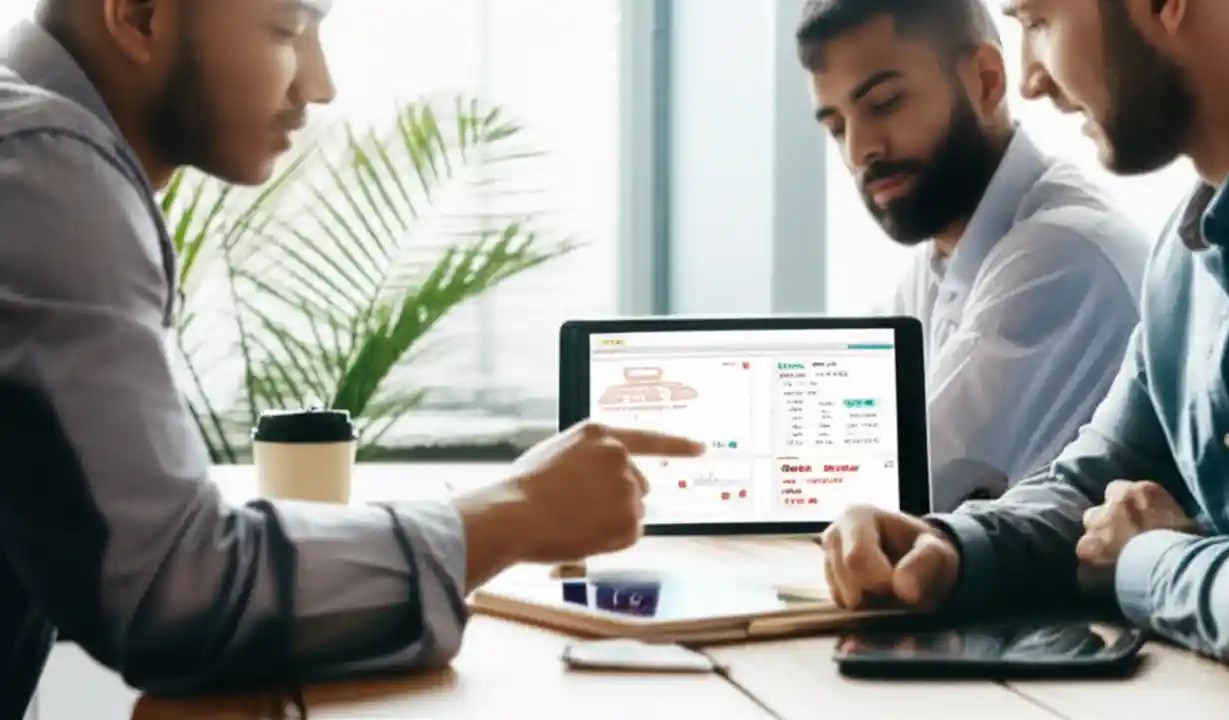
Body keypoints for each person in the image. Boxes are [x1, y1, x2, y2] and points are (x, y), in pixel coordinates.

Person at [0, 0, 703, 707]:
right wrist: (514, 514)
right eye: (286, 30)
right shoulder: (46, 171)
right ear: (141, 15)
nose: (320, 83)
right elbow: (175, 591)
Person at [821, 0, 1229, 680]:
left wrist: (1148, 559)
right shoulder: (1183, 266)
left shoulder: (1070, 244)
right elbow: (1091, 483)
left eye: (1038, 21)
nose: (1030, 79)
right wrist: (951, 548)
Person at [796, 0, 1150, 512]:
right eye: (836, 126)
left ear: (985, 81)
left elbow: (892, 499)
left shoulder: (1060, 254)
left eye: (885, 102)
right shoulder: (942, 262)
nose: (859, 151)